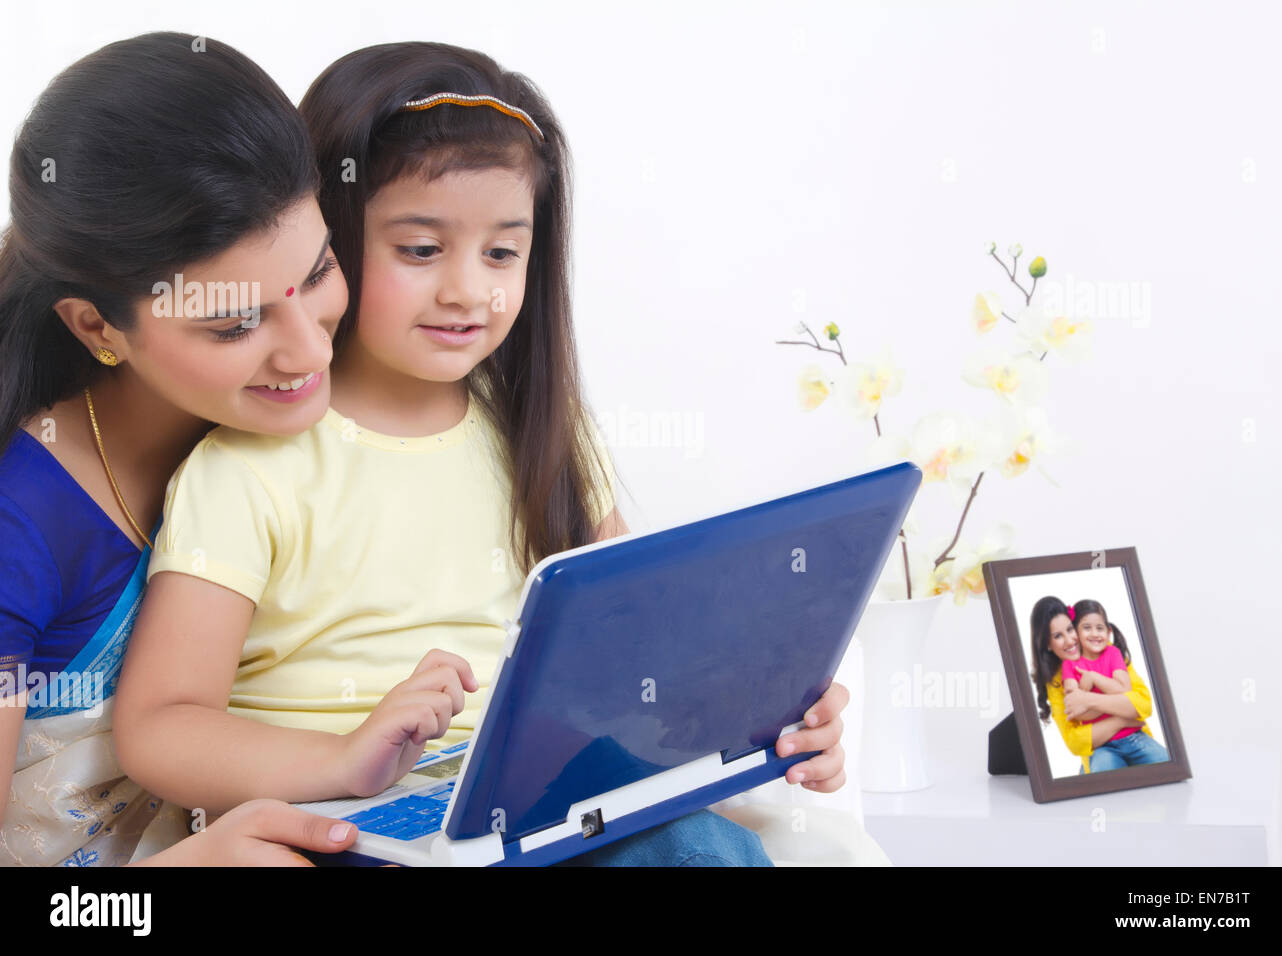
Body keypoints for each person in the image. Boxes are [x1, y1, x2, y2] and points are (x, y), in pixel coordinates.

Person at [113, 41, 848, 865]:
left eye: (502, 252)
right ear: (329, 243)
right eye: (421, 250)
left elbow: (640, 654)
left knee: (700, 846)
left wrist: (764, 713)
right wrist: (344, 756)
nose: (468, 290)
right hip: (345, 822)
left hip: (530, 811)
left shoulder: (538, 430)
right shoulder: (249, 466)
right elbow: (159, 729)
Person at [0, 32, 363, 865]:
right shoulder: (19, 532)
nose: (310, 354)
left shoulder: (271, 424)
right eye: (234, 325)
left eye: (317, 273)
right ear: (97, 327)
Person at [1029, 595, 1156, 774]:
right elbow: (1075, 741)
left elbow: (1143, 704)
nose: (1069, 641)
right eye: (1058, 636)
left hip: (1134, 739)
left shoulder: (1108, 651)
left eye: (1070, 629)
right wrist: (1124, 718)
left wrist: (1087, 698)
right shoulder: (1056, 680)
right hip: (1101, 750)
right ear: (1047, 644)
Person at [1059, 598, 1169, 772]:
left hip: (1133, 737)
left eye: (1100, 628)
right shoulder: (1070, 664)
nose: (1095, 633)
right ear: (1075, 634)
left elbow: (1124, 689)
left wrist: (1093, 680)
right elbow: (1079, 712)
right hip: (1101, 746)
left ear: (1108, 632)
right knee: (1104, 775)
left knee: (1166, 764)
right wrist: (1118, 706)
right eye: (1087, 628)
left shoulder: (1113, 653)